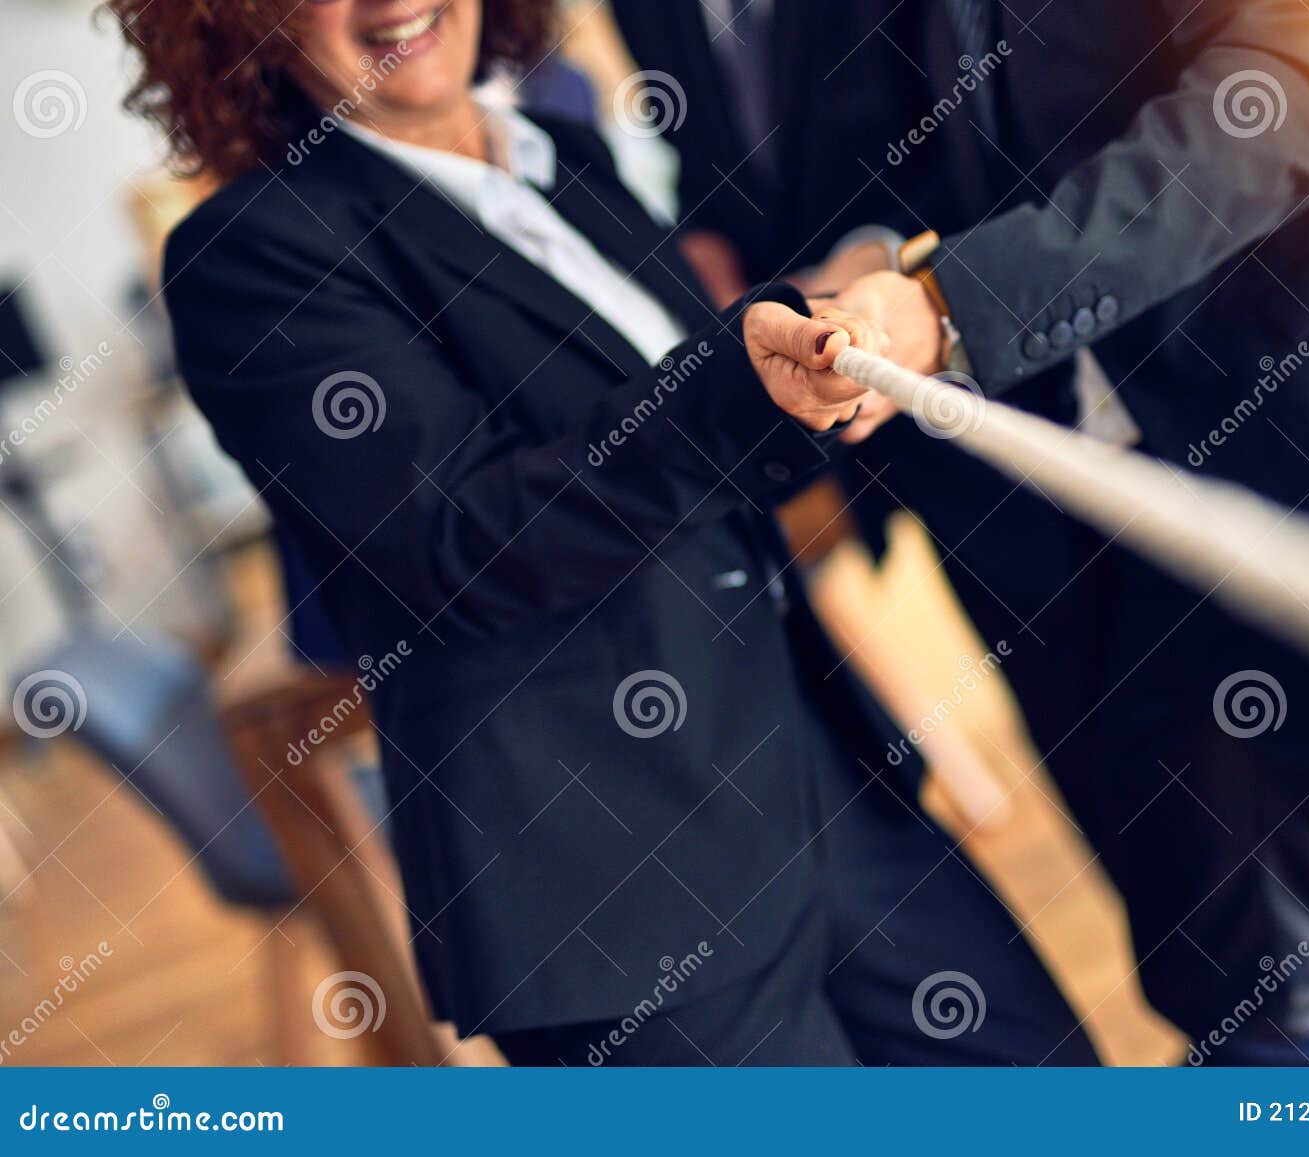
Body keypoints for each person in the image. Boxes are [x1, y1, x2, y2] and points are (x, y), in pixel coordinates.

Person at [113, 0, 1098, 1066]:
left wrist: (831, 350)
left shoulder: (569, 159)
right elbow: (451, 540)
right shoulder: (250, 251)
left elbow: (702, 413)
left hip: (820, 776)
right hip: (614, 888)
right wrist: (741, 389)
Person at [610, 0, 1309, 1064]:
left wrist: (908, 288)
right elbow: (750, 174)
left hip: (1151, 390)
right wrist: (724, 264)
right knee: (1203, 925)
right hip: (969, 478)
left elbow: (972, 155)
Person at [816, 0, 1309, 1065]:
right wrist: (865, 282)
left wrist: (960, 303)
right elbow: (941, 177)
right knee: (1226, 987)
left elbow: (1296, 86)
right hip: (1130, 537)